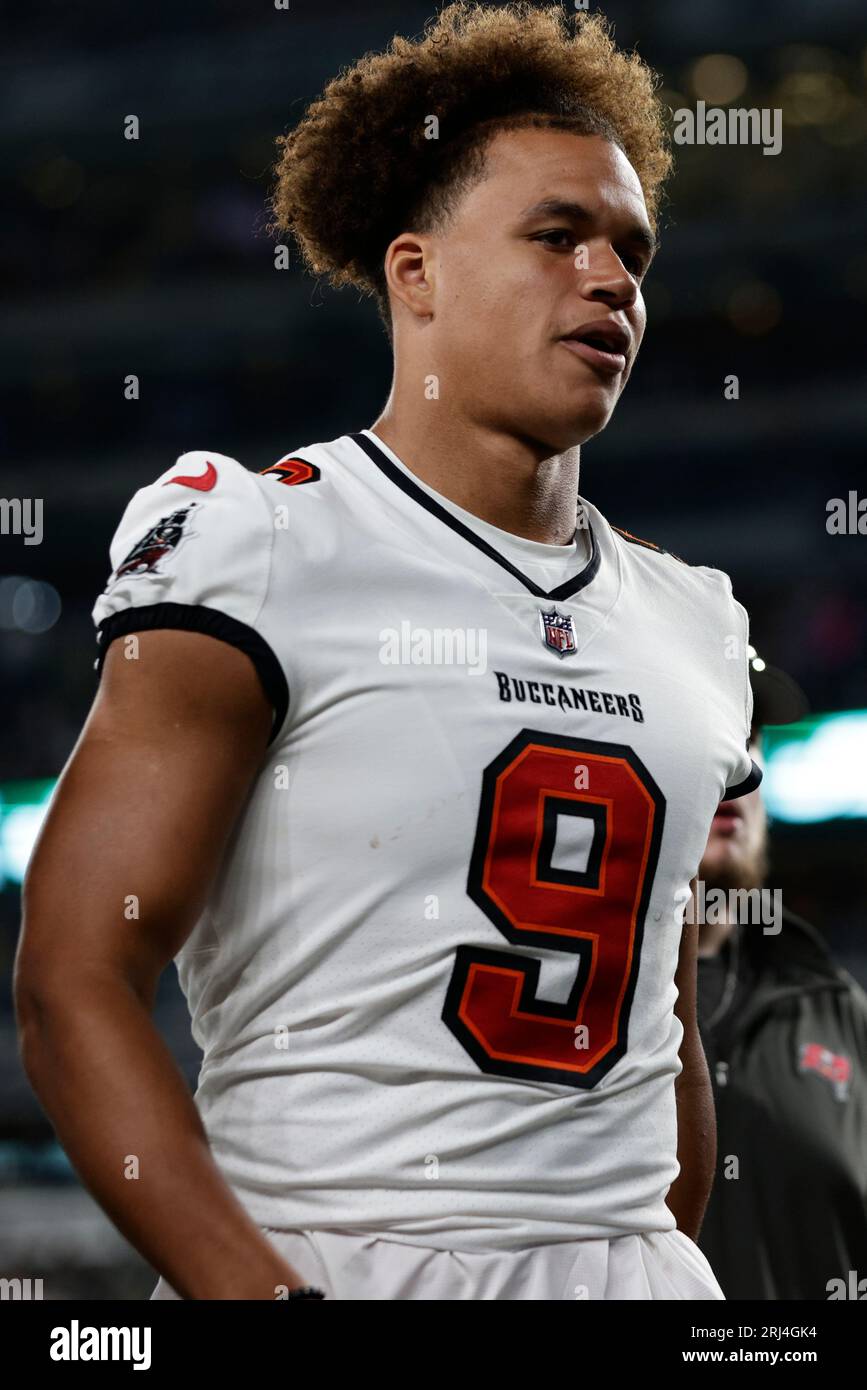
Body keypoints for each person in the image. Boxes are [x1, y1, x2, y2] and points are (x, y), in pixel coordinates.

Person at [15, 4, 761, 1301]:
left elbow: (663, 1031)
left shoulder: (692, 616)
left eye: (630, 250)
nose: (610, 278)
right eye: (555, 236)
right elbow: (73, 978)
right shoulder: (259, 540)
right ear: (412, 273)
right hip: (332, 1256)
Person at [696, 649, 867, 1300]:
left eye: (751, 739)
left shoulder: (837, 1009)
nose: (740, 765)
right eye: (712, 738)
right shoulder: (566, 1001)